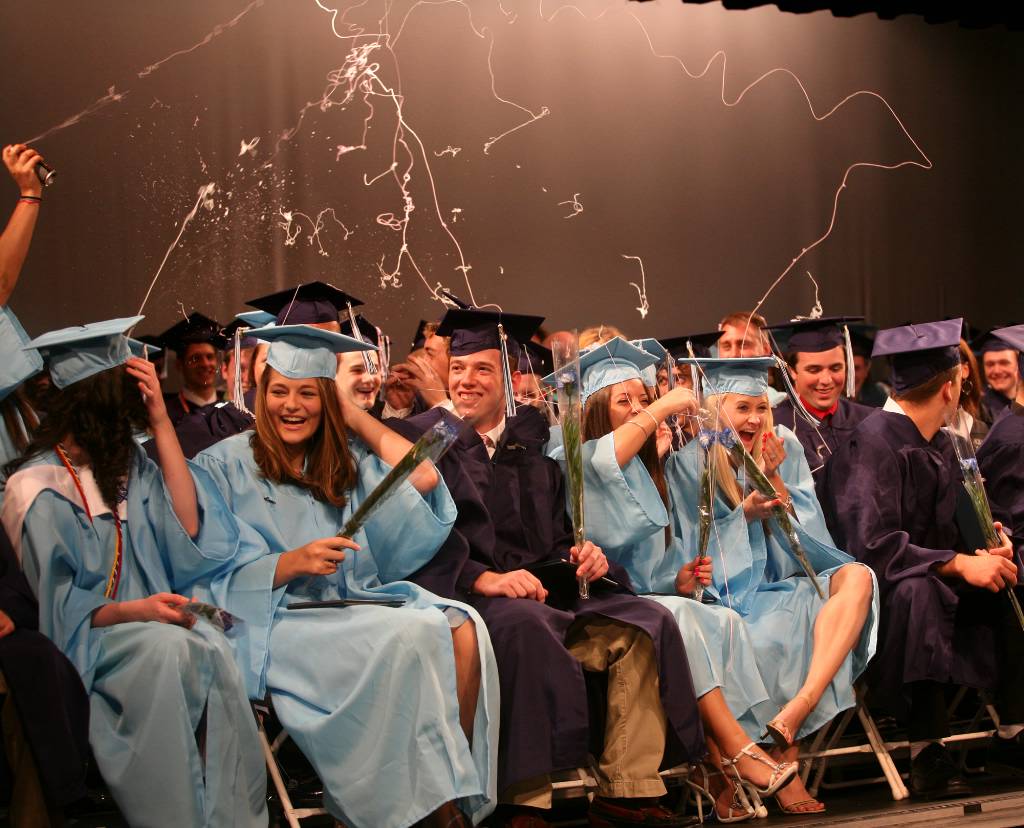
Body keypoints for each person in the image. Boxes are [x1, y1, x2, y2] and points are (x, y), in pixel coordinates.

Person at [392, 309, 705, 828]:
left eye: (482, 370)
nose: (467, 380)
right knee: (526, 625)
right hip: (466, 599)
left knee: (644, 624)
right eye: (459, 368)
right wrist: (480, 578)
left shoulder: (533, 449)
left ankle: (626, 790)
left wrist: (582, 555)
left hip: (545, 594)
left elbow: (558, 538)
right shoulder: (424, 441)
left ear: (508, 379)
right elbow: (406, 541)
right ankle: (524, 800)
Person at [191, 323, 498, 828]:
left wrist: (349, 413)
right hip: (277, 619)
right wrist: (292, 562)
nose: (292, 406)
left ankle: (437, 797)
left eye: (308, 394)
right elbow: (202, 573)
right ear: (260, 392)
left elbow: (421, 473)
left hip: (350, 605)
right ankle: (423, 812)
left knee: (463, 626)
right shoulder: (223, 465)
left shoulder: (338, 459)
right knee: (417, 630)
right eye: (280, 391)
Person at [2, 316, 268, 826]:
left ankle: (232, 817)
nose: (132, 416)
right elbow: (58, 611)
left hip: (153, 619)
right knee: (168, 650)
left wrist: (163, 425)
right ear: (92, 404)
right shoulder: (37, 487)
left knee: (216, 639)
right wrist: (135, 609)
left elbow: (188, 527)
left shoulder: (129, 465)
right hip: (93, 637)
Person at [557, 337, 796, 822]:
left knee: (719, 619)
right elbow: (601, 464)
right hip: (584, 603)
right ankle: (735, 750)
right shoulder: (570, 454)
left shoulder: (649, 465)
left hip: (637, 600)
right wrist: (663, 404)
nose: (639, 410)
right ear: (596, 409)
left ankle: (717, 762)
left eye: (641, 399)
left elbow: (649, 568)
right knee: (681, 618)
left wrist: (679, 577)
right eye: (624, 400)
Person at [667, 356, 878, 816]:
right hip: (728, 596)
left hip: (782, 582)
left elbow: (815, 547)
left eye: (762, 408)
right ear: (714, 410)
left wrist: (775, 478)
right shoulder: (687, 463)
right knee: (771, 633)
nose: (755, 419)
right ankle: (782, 762)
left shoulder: (784, 446)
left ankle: (796, 712)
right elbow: (691, 554)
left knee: (857, 577)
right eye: (742, 408)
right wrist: (743, 515)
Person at [823, 318, 1024, 799]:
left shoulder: (947, 442)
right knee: (921, 590)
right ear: (951, 386)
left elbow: (969, 520)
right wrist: (956, 564)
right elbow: (870, 544)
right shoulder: (869, 442)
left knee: (1008, 577)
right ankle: (925, 745)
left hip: (934, 573)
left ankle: (1012, 732)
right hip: (882, 594)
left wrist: (994, 539)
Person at [771, 318, 874, 502]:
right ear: (792, 371)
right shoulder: (775, 427)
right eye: (814, 370)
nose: (826, 379)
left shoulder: (870, 421)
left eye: (836, 368)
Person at [160, 312, 227, 426]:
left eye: (210, 357)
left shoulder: (231, 407)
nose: (205, 364)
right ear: (180, 365)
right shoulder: (165, 414)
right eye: (195, 358)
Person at [973, 329, 1023, 418]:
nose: (996, 371)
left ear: (1018, 365)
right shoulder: (978, 407)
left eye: (1004, 363)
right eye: (990, 364)